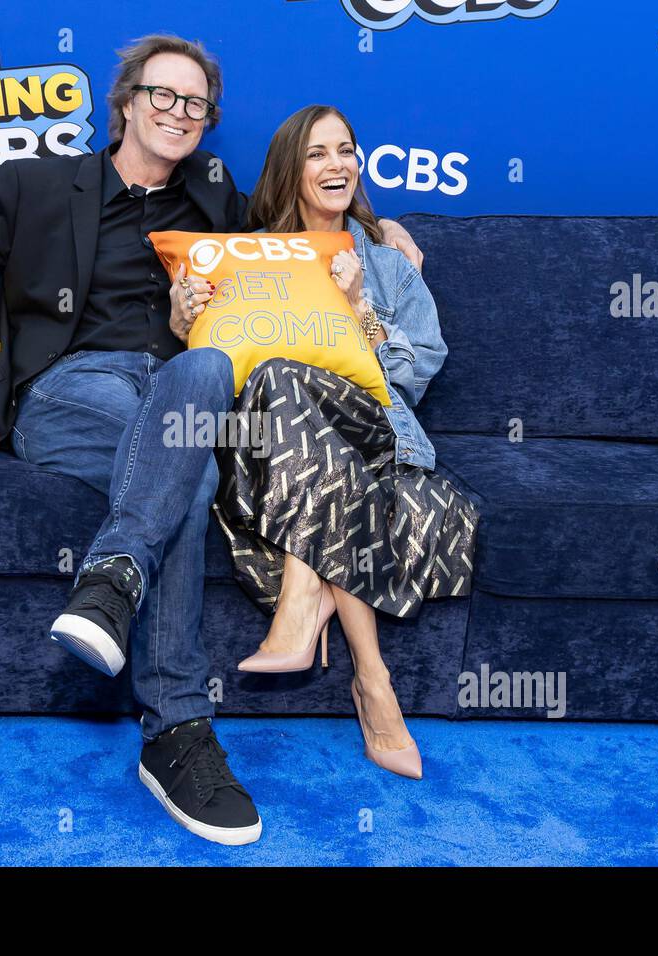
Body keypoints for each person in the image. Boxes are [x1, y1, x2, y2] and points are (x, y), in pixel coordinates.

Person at [0, 37, 424, 845]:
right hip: (68, 390)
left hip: (179, 388)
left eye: (196, 105)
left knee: (205, 375)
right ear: (124, 103)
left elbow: (288, 238)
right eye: (164, 96)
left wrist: (375, 229)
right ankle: (178, 732)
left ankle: (112, 581)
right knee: (182, 474)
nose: (181, 114)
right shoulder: (35, 186)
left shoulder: (214, 197)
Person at [212, 105, 480, 780]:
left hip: (378, 431)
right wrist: (189, 313)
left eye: (346, 150)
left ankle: (305, 607)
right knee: (277, 381)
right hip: (279, 445)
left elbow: (413, 378)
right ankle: (373, 681)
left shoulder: (388, 263)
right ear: (290, 171)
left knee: (295, 394)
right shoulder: (250, 259)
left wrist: (360, 310)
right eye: (317, 153)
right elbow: (223, 379)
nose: (336, 165)